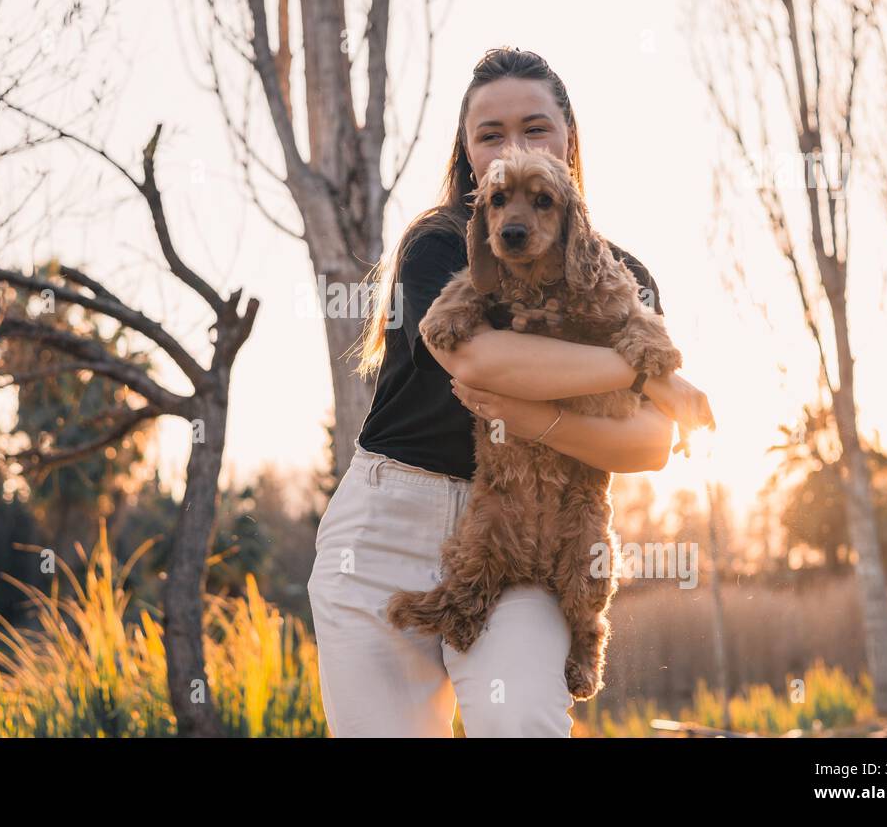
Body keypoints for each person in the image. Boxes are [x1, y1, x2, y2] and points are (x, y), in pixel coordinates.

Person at [306, 46, 716, 737]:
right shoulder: (442, 244)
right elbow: (478, 361)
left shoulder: (625, 274)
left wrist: (544, 420)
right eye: (489, 134)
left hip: (530, 532)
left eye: (535, 126)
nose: (514, 144)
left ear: (569, 138)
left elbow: (648, 443)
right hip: (384, 529)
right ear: (469, 155)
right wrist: (640, 364)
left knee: (520, 716)